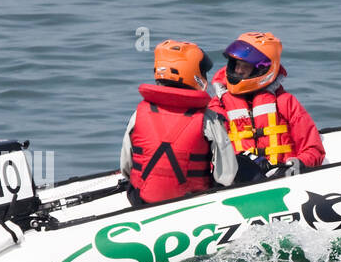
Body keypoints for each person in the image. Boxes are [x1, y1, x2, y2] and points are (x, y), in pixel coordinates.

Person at [120, 39, 237, 204]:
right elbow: (227, 175)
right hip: (193, 203)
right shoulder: (209, 119)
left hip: (141, 201)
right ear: (194, 74)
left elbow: (126, 167)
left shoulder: (138, 114)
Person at [209, 32, 325, 181]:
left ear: (262, 69)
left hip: (283, 179)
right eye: (236, 64)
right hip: (236, 184)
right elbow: (210, 153)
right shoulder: (219, 105)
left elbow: (314, 149)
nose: (238, 70)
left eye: (245, 66)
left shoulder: (285, 102)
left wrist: (297, 164)